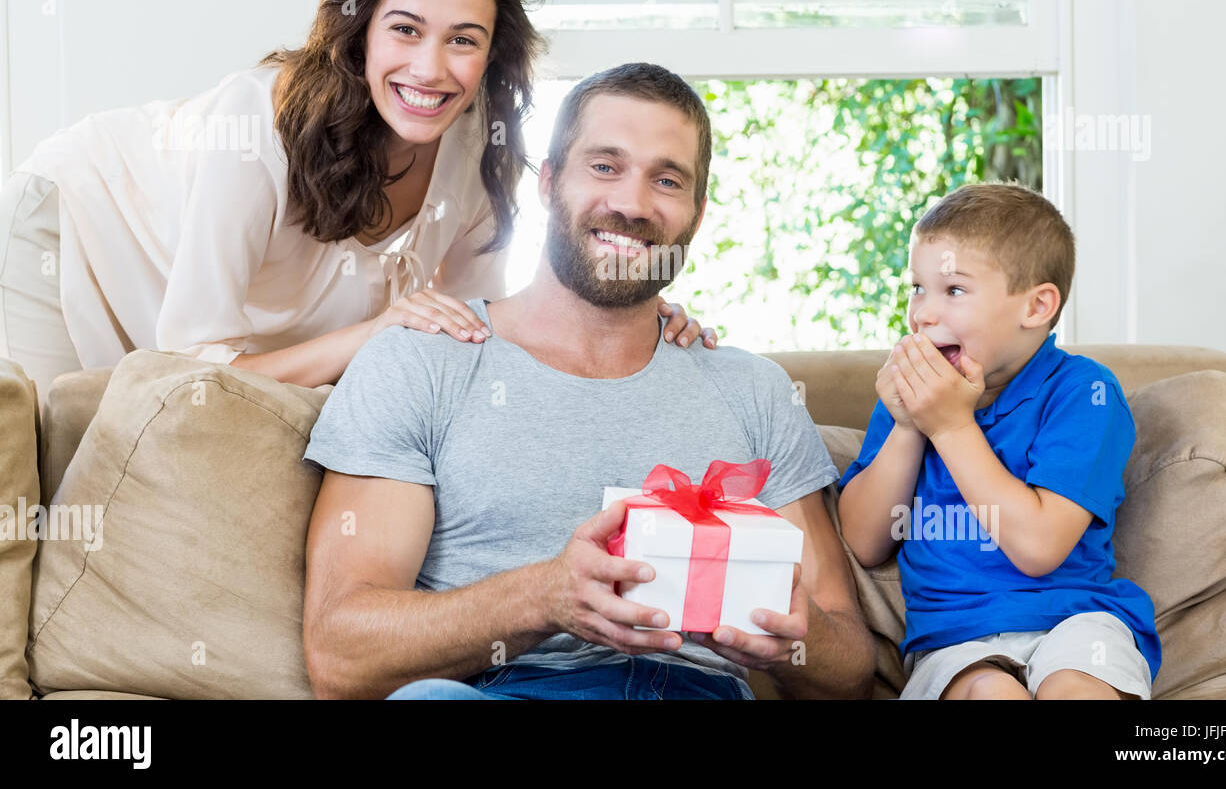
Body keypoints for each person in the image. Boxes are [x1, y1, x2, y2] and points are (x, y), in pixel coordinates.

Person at [299, 63, 874, 700]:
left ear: (697, 213)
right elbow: (339, 655)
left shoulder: (756, 391)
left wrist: (795, 638)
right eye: (605, 166)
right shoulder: (421, 363)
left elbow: (847, 673)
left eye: (666, 179)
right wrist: (543, 597)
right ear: (548, 183)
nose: (631, 204)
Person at [0, 0, 713, 407]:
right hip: (76, 231)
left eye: (463, 40)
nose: (430, 69)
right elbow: (187, 369)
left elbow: (483, 334)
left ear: (493, 56)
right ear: (361, 32)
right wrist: (370, 335)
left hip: (204, 341)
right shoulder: (255, 128)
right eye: (406, 30)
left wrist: (638, 319)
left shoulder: (477, 153)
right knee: (35, 467)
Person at [836, 181, 1161, 700]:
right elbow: (863, 540)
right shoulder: (912, 400)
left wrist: (950, 426)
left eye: (953, 290)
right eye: (917, 288)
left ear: (1036, 307)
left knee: (1077, 688)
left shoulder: (1085, 393)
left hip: (1077, 623)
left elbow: (1037, 547)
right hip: (954, 640)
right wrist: (906, 426)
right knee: (989, 694)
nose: (922, 313)